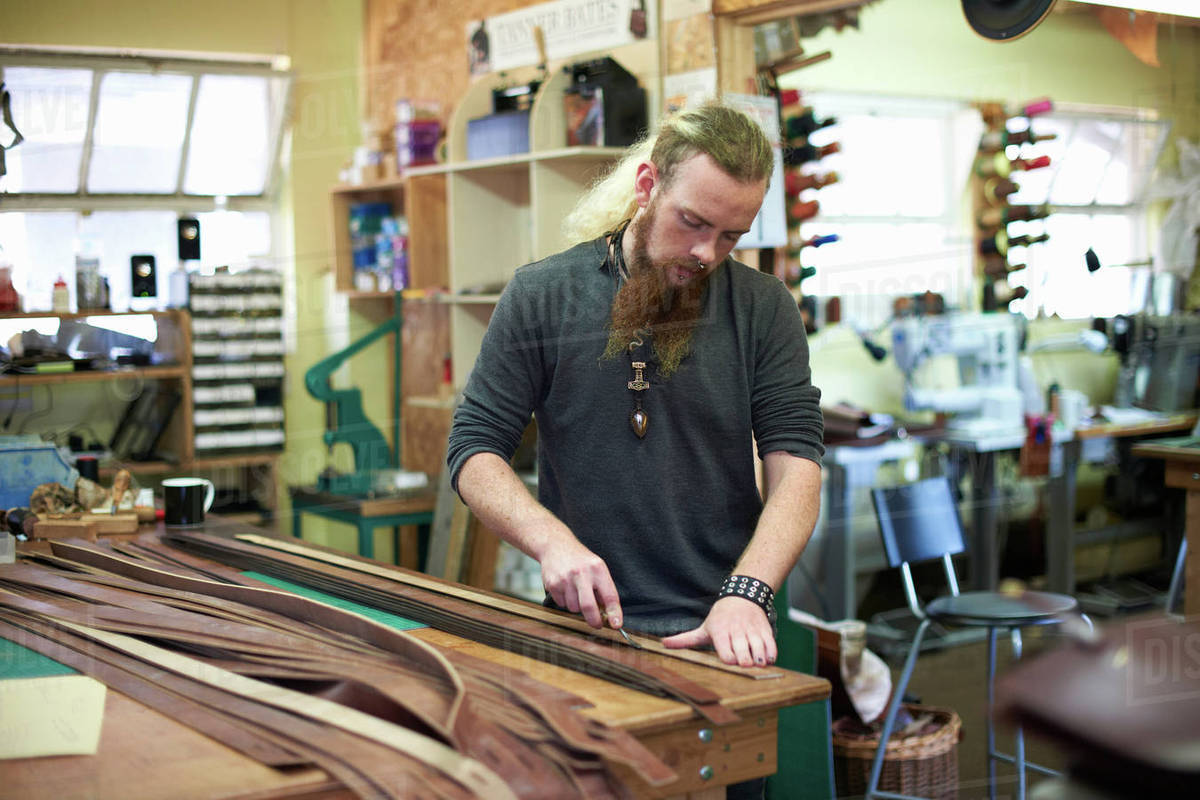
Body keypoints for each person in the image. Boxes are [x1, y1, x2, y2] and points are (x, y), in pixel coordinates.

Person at [447, 101, 823, 673]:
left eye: (730, 236)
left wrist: (750, 591)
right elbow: (473, 447)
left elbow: (796, 465)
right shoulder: (542, 296)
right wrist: (551, 542)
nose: (705, 254)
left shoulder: (764, 309)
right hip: (583, 625)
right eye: (693, 223)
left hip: (722, 628)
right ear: (648, 184)